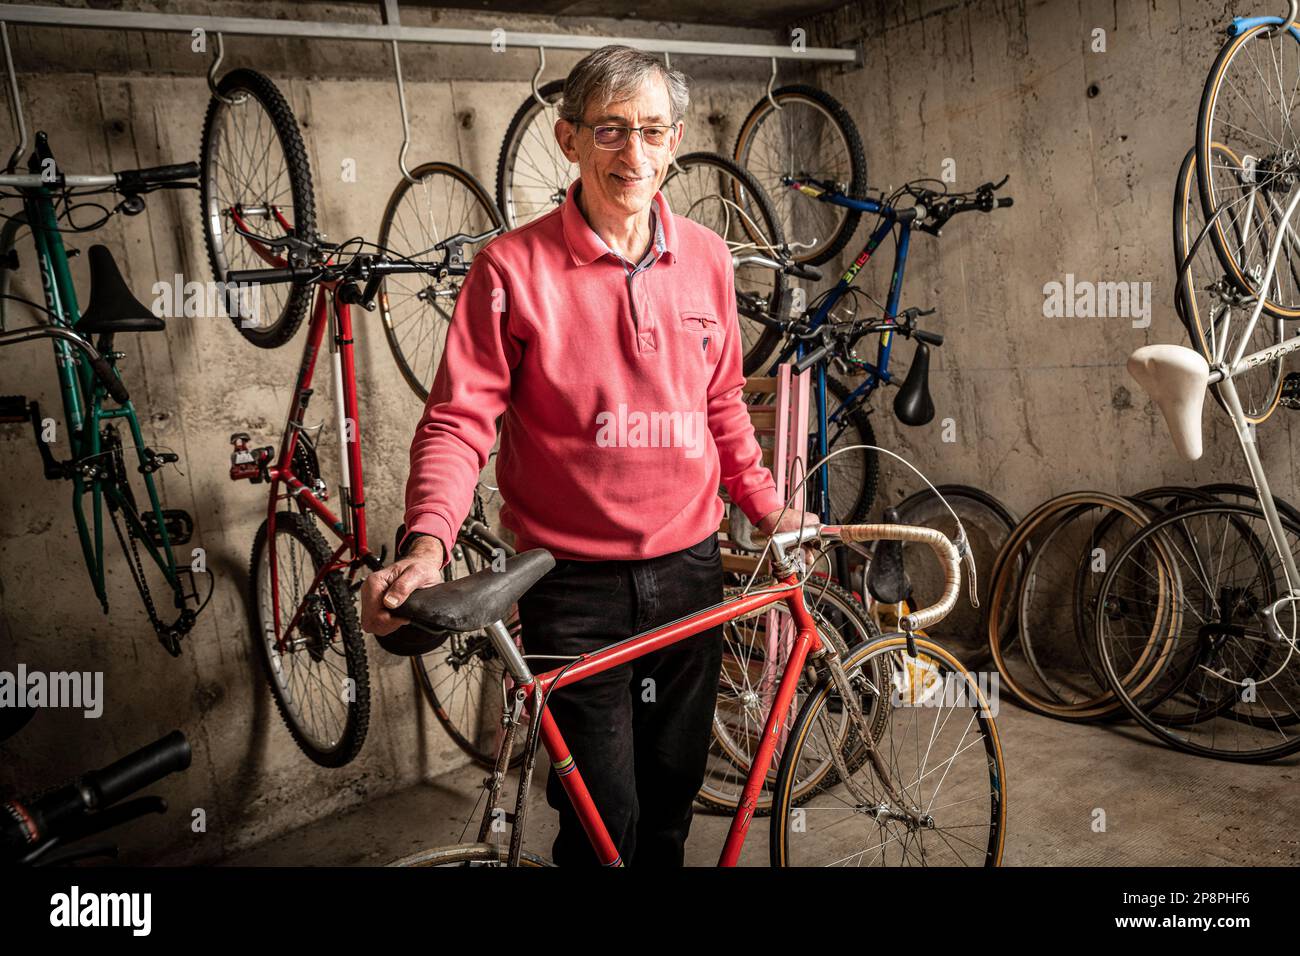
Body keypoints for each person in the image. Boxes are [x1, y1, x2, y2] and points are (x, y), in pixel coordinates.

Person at [361, 44, 811, 866]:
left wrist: (768, 507)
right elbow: (458, 422)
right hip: (569, 587)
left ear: (675, 140)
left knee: (671, 802)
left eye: (651, 131)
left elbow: (720, 403)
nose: (633, 153)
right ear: (568, 138)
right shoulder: (509, 270)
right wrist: (426, 546)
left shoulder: (708, 258)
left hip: (690, 571)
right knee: (602, 819)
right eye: (610, 130)